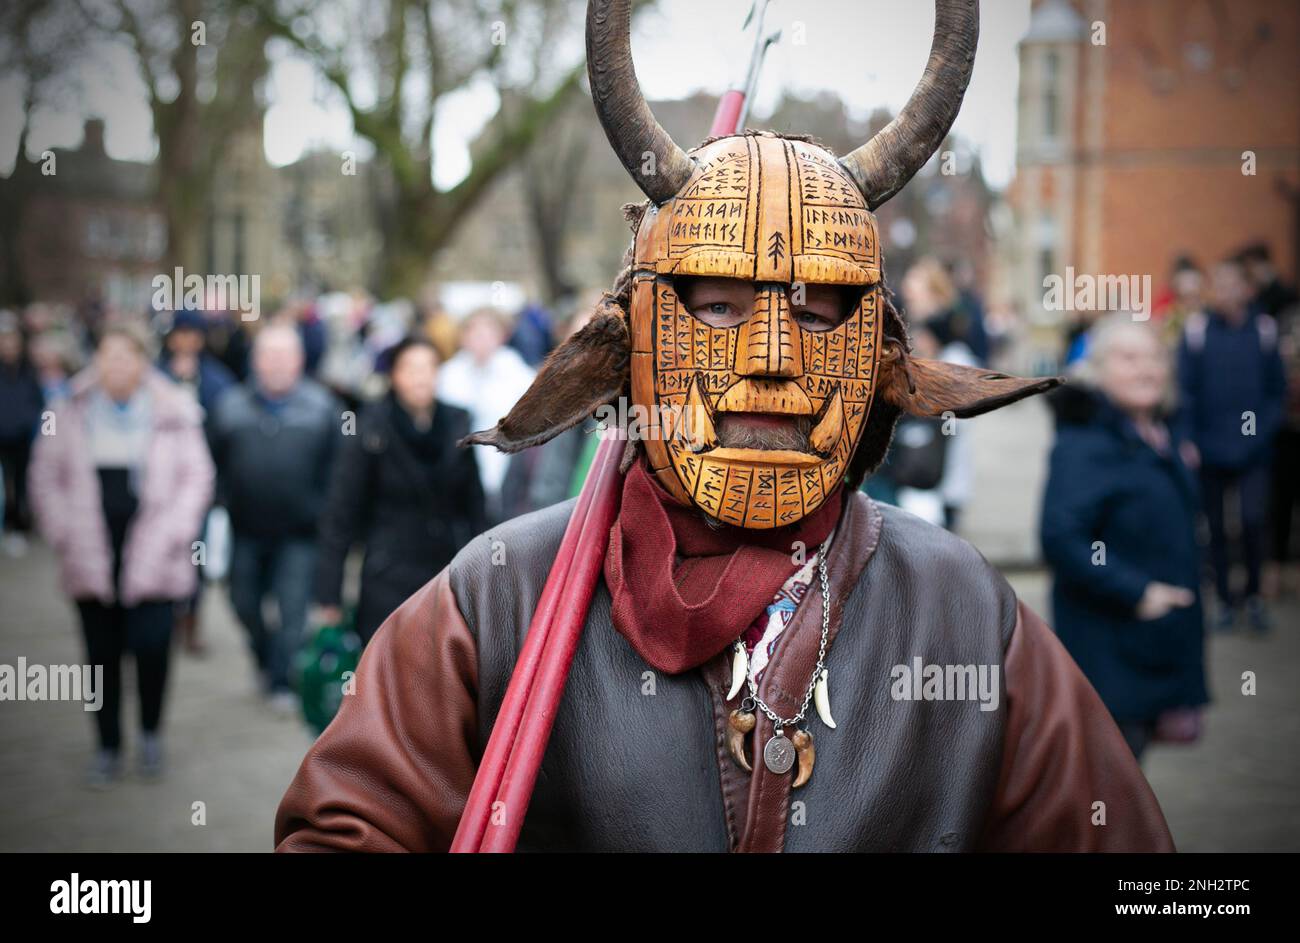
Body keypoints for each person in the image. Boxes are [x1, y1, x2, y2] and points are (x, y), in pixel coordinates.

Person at [275, 0, 1172, 852]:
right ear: (628, 345)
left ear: (879, 357)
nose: (774, 357)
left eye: (820, 313)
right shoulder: (500, 597)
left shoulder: (965, 613)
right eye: (715, 305)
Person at [28, 324, 214, 784]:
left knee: (153, 649)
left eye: (126, 356)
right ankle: (107, 744)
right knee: (99, 656)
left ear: (142, 362)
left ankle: (150, 733)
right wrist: (63, 531)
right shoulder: (68, 412)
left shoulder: (175, 411)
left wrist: (176, 531)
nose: (117, 366)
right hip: (92, 552)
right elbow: (44, 477)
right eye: (108, 356)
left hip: (156, 554)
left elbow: (197, 476)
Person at [1041, 317, 1209, 761]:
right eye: (1129, 359)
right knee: (1110, 789)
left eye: (1155, 358)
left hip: (1156, 642)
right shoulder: (1085, 443)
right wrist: (1139, 592)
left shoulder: (1160, 435)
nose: (1146, 370)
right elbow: (1061, 537)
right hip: (1110, 647)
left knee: (1133, 788)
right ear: (1097, 369)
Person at [314, 337, 486, 645]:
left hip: (445, 570)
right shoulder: (372, 429)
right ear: (394, 375)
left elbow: (475, 504)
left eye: (429, 368)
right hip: (388, 572)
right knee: (388, 668)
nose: (421, 377)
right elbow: (342, 511)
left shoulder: (458, 424)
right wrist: (330, 594)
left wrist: (486, 568)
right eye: (411, 368)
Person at [210, 324, 341, 712]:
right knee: (243, 603)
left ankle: (282, 680)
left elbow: (337, 471)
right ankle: (265, 657)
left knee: (293, 611)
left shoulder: (323, 407)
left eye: (286, 355)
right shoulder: (229, 405)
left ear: (300, 360)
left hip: (300, 533)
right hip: (244, 530)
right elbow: (212, 464)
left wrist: (325, 516)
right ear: (256, 360)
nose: (279, 363)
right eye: (270, 354)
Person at [1177, 257, 1288, 632]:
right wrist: (1188, 439)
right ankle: (1224, 600)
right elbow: (1186, 391)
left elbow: (1277, 390)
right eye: (1217, 284)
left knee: (1254, 521)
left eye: (1230, 284)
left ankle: (1254, 597)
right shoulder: (1197, 331)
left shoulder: (1263, 330)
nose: (1222, 292)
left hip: (1254, 450)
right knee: (1216, 528)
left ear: (1246, 289)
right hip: (1209, 447)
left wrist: (1262, 431)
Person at [436, 307, 535, 522]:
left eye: (488, 332)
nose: (481, 340)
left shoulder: (518, 375)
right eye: (474, 332)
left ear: (501, 336)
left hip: (502, 470)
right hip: (457, 472)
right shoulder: (448, 375)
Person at [0, 312, 44, 555]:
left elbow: (44, 406)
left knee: (22, 483)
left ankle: (20, 525)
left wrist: (48, 436)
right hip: (2, 438)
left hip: (24, 440)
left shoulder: (30, 371)